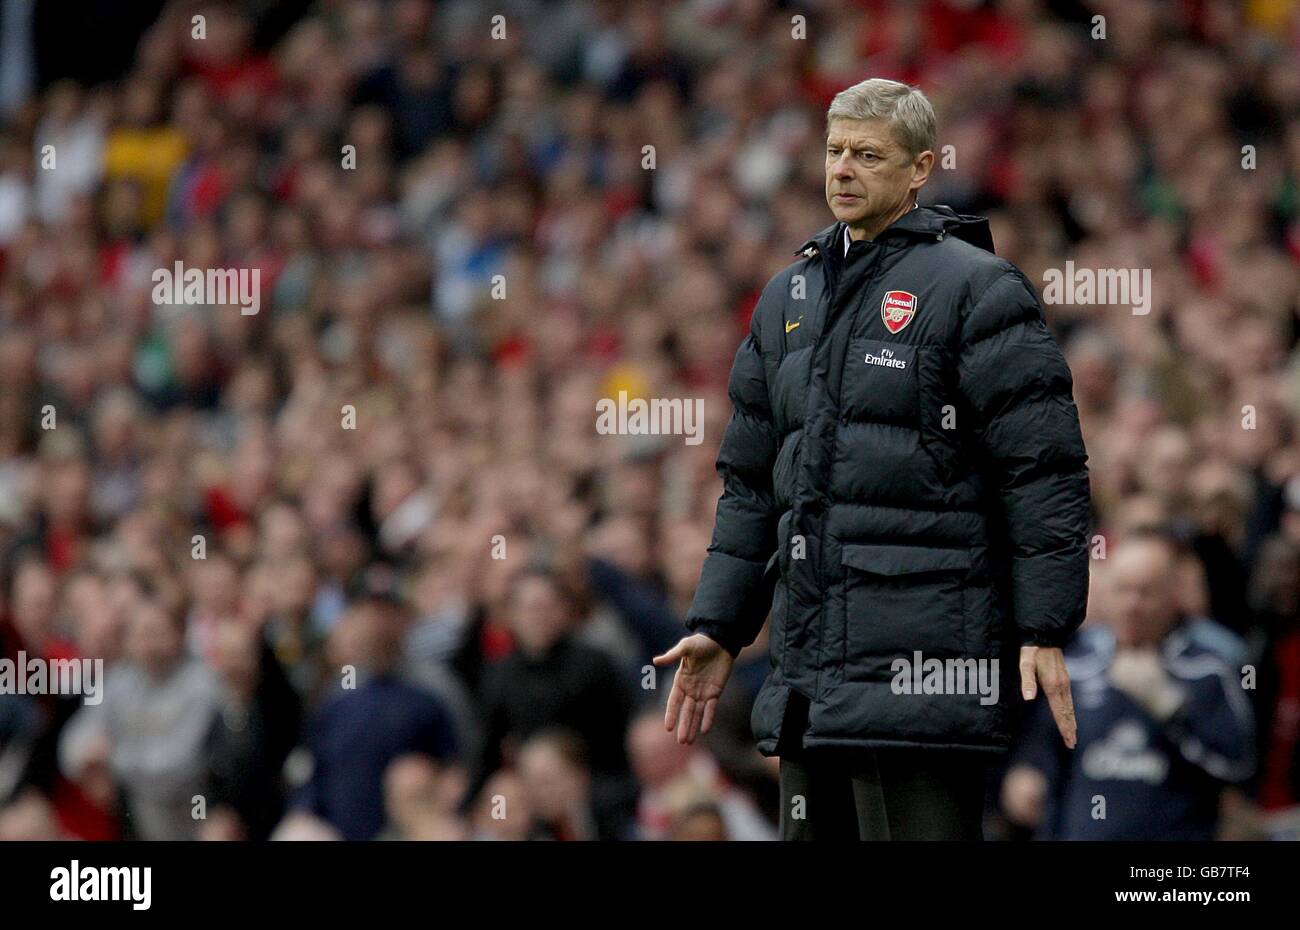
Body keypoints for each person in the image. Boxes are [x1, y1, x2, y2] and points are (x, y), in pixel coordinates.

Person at [655, 78, 1091, 840]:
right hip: (809, 676)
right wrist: (722, 624)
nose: (843, 169)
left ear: (921, 168)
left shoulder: (978, 290)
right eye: (833, 152)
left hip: (921, 673)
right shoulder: (788, 296)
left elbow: (1044, 469)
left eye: (867, 154)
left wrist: (1045, 628)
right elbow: (753, 485)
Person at [1002, 532, 1255, 839]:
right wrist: (1026, 772)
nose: (1132, 605)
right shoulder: (1078, 664)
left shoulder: (1207, 670)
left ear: (1173, 593)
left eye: (1146, 592)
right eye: (1122, 590)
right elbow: (1042, 743)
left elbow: (1240, 764)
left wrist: (1170, 707)